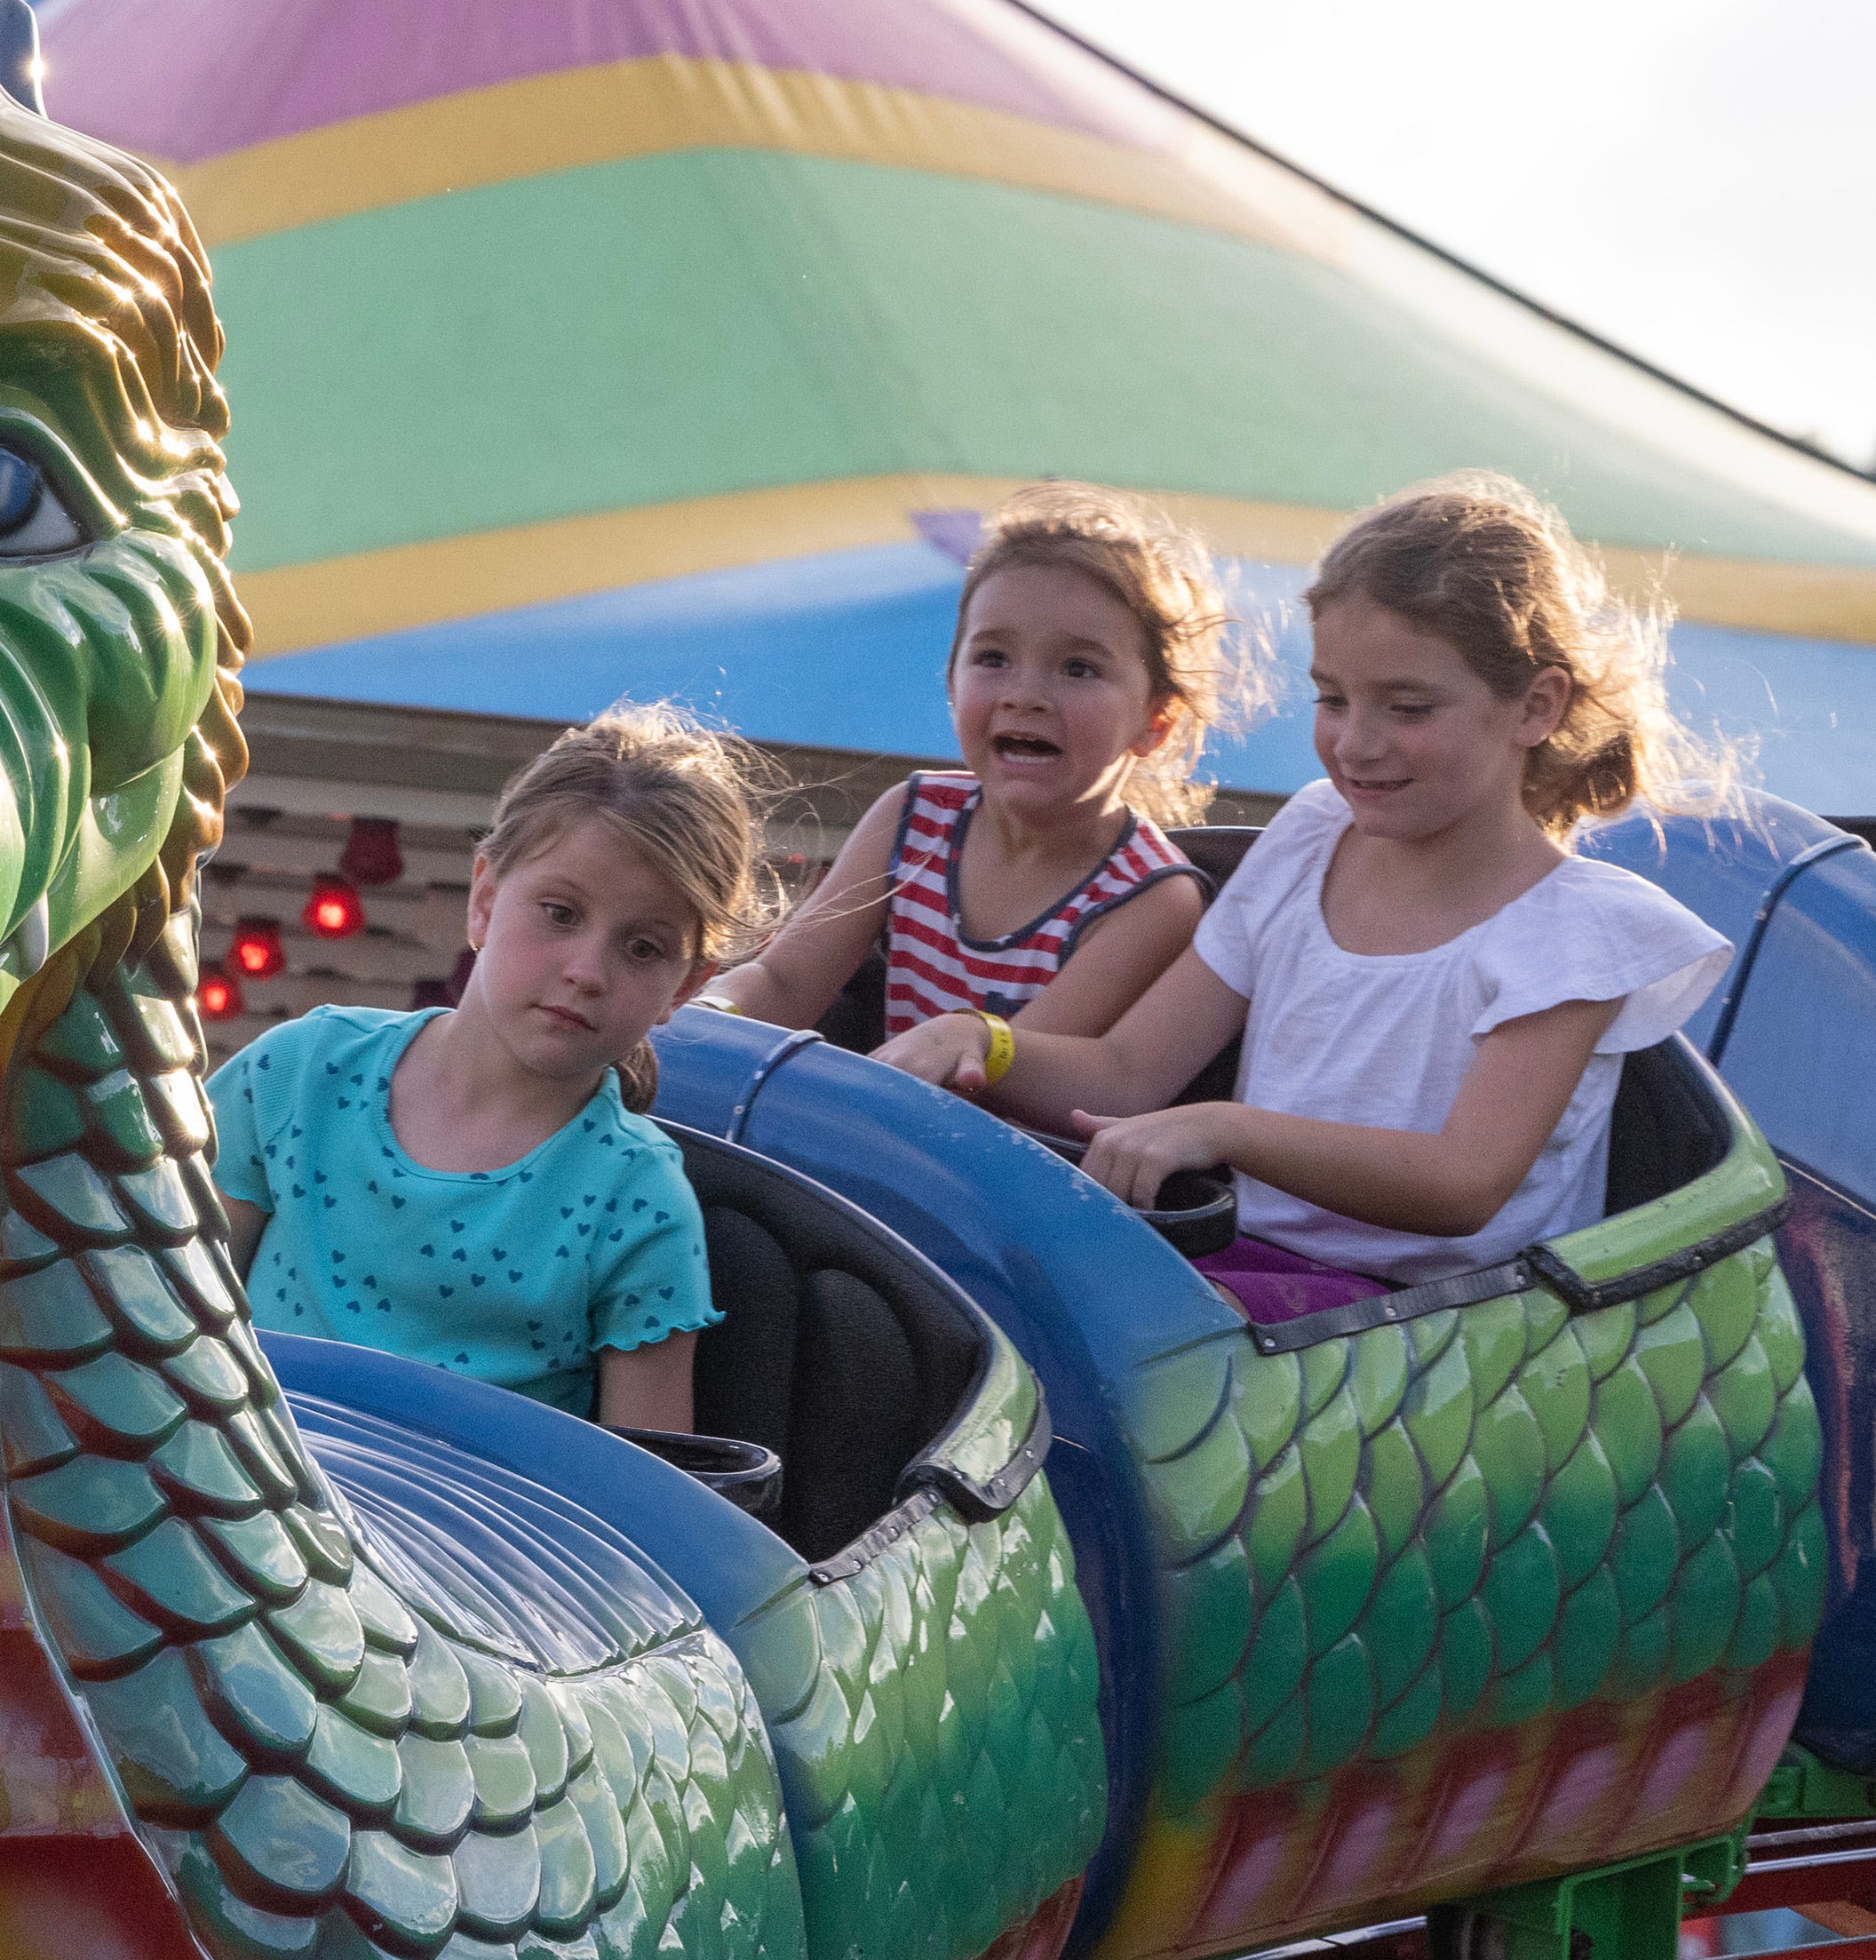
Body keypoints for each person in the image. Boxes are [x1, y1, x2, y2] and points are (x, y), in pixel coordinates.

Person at [887, 472, 1735, 1323]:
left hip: (1443, 1319)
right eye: (1333, 699)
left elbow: (1464, 1184)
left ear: (1536, 707)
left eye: (1407, 708)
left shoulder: (1573, 928)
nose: (1355, 744)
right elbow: (1130, 1072)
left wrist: (1226, 1128)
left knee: (1071, 1321)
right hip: (1248, 1271)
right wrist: (982, 1041)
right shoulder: (1310, 837)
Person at [209, 704, 781, 1429]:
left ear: (686, 988)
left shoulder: (638, 1200)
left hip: (460, 1507)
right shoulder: (299, 1073)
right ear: (483, 899)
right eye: (560, 913)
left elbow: (647, 1476)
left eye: (643, 948)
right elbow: (175, 1312)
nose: (587, 972)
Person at [702, 482, 1244, 1041]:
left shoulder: (1152, 899)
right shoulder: (913, 817)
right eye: (993, 658)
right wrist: (711, 1007)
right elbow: (784, 983)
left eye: (1078, 668)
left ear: (1157, 720)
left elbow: (1009, 1069)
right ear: (952, 684)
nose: (1024, 695)